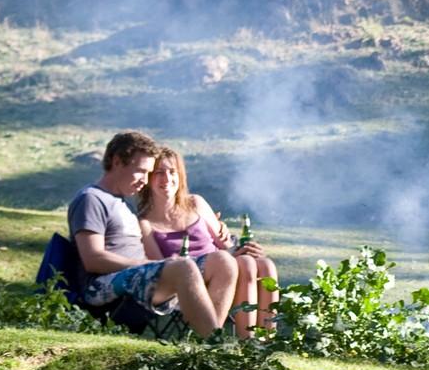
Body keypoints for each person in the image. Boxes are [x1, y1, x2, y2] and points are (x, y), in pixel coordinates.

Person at [67, 130, 238, 338]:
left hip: (139, 276)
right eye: (141, 171)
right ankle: (214, 346)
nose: (145, 181)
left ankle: (208, 339)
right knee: (182, 266)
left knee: (223, 261)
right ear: (118, 161)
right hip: (103, 285)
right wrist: (148, 265)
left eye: (149, 173)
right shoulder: (92, 199)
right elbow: (93, 259)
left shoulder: (122, 204)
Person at [138, 144, 279, 340]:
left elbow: (227, 245)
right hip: (190, 280)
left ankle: (266, 341)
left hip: (225, 267)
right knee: (244, 264)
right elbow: (160, 268)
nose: (167, 179)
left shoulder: (195, 203)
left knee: (265, 265)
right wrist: (230, 256)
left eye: (172, 172)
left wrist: (246, 249)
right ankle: (244, 341)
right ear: (148, 178)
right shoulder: (144, 223)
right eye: (159, 173)